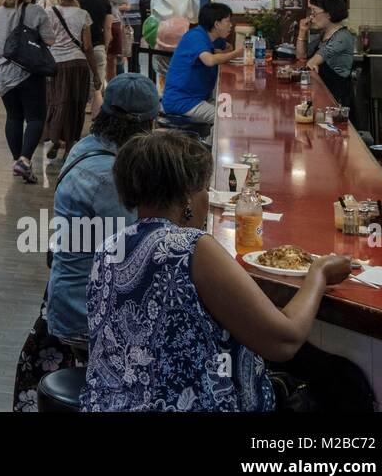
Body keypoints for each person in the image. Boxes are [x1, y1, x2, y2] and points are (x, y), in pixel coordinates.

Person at [82, 132, 352, 411]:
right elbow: (284, 341)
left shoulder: (109, 247)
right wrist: (318, 274)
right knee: (341, 381)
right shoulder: (191, 248)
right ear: (188, 194)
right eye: (204, 189)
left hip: (108, 404)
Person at [12, 73, 158, 410]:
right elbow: (130, 255)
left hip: (64, 296)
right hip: (85, 314)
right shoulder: (111, 176)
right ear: (146, 126)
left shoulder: (87, 146)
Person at [0, 0, 48, 183]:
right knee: (35, 118)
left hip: (3, 73)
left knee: (13, 117)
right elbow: (50, 39)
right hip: (29, 72)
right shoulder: (37, 12)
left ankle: (18, 161)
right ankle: (24, 159)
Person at [41, 0, 98, 163]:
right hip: (78, 65)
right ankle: (70, 146)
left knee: (55, 102)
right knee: (76, 105)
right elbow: (88, 47)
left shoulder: (49, 12)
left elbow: (44, 40)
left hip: (55, 64)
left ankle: (54, 138)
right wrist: (96, 74)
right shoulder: (83, 15)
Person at [161, 2, 239, 123]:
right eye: (228, 21)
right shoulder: (195, 36)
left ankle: (209, 141)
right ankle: (210, 141)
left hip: (198, 98)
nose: (231, 25)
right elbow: (209, 60)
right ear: (217, 24)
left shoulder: (213, 38)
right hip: (182, 101)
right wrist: (239, 52)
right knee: (226, 118)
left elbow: (228, 47)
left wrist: (223, 52)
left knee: (233, 110)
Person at [297, 0, 355, 108]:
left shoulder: (342, 36)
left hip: (337, 99)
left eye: (314, 12)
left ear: (328, 14)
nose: (311, 17)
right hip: (323, 95)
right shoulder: (323, 35)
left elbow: (315, 59)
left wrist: (312, 63)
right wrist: (302, 31)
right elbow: (301, 56)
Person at [77, 0, 112, 113]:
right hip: (97, 45)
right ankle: (95, 121)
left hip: (76, 48)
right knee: (97, 87)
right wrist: (106, 44)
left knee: (79, 84)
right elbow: (108, 27)